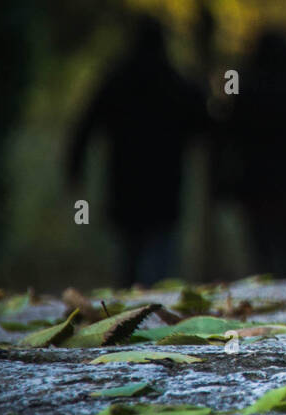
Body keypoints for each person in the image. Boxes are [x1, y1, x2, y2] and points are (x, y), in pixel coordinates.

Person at [66, 14, 209, 287]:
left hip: (124, 185)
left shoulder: (116, 80)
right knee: (161, 263)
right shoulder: (175, 82)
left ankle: (129, 312)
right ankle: (155, 309)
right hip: (165, 186)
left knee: (128, 258)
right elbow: (203, 126)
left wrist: (74, 169)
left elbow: (86, 125)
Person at [221, 29, 286, 278]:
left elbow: (229, 130)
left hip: (256, 181)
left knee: (261, 247)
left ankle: (265, 283)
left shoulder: (245, 90)